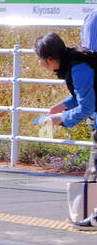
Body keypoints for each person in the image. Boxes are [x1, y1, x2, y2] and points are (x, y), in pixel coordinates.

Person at [36, 32, 97, 223]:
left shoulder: (77, 68)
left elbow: (87, 106)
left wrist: (60, 118)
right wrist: (62, 106)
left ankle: (92, 215)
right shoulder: (74, 62)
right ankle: (90, 212)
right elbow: (85, 93)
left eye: (40, 59)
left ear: (50, 59)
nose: (39, 63)